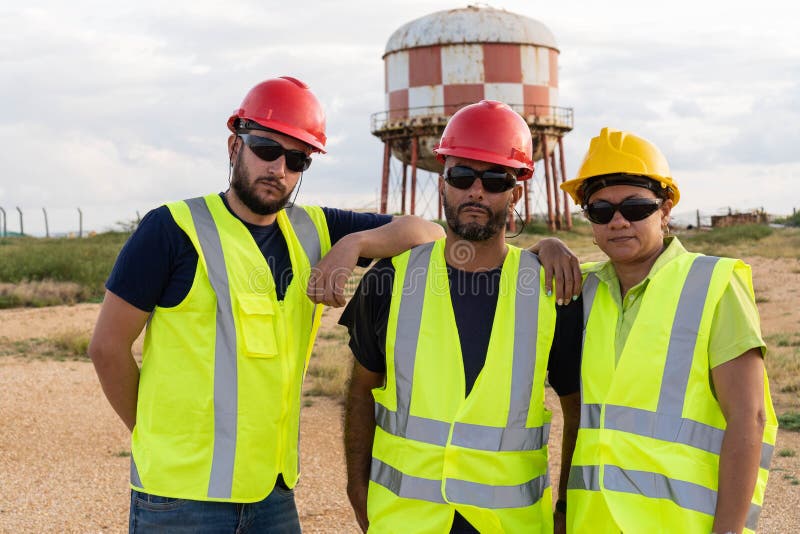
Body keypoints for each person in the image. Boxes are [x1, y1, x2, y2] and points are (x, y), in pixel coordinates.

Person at [88, 76, 447, 533]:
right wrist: (157, 438)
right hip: (180, 500)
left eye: (296, 159)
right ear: (234, 144)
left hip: (272, 496)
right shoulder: (171, 229)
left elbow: (428, 232)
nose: (279, 167)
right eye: (265, 149)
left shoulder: (314, 229)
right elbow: (107, 348)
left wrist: (354, 243)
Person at [341, 100, 583, 533]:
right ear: (443, 184)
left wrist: (566, 507)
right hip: (405, 521)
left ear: (516, 192)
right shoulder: (390, 280)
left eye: (494, 180)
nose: (476, 190)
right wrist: (356, 487)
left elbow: (576, 407)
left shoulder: (550, 288)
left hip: (509, 524)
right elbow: (361, 388)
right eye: (461, 176)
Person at [560, 127, 778, 534]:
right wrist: (548, 245)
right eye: (600, 211)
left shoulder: (713, 284)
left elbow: (749, 418)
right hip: (593, 524)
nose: (619, 221)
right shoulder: (581, 290)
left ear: (666, 209)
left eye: (636, 207)